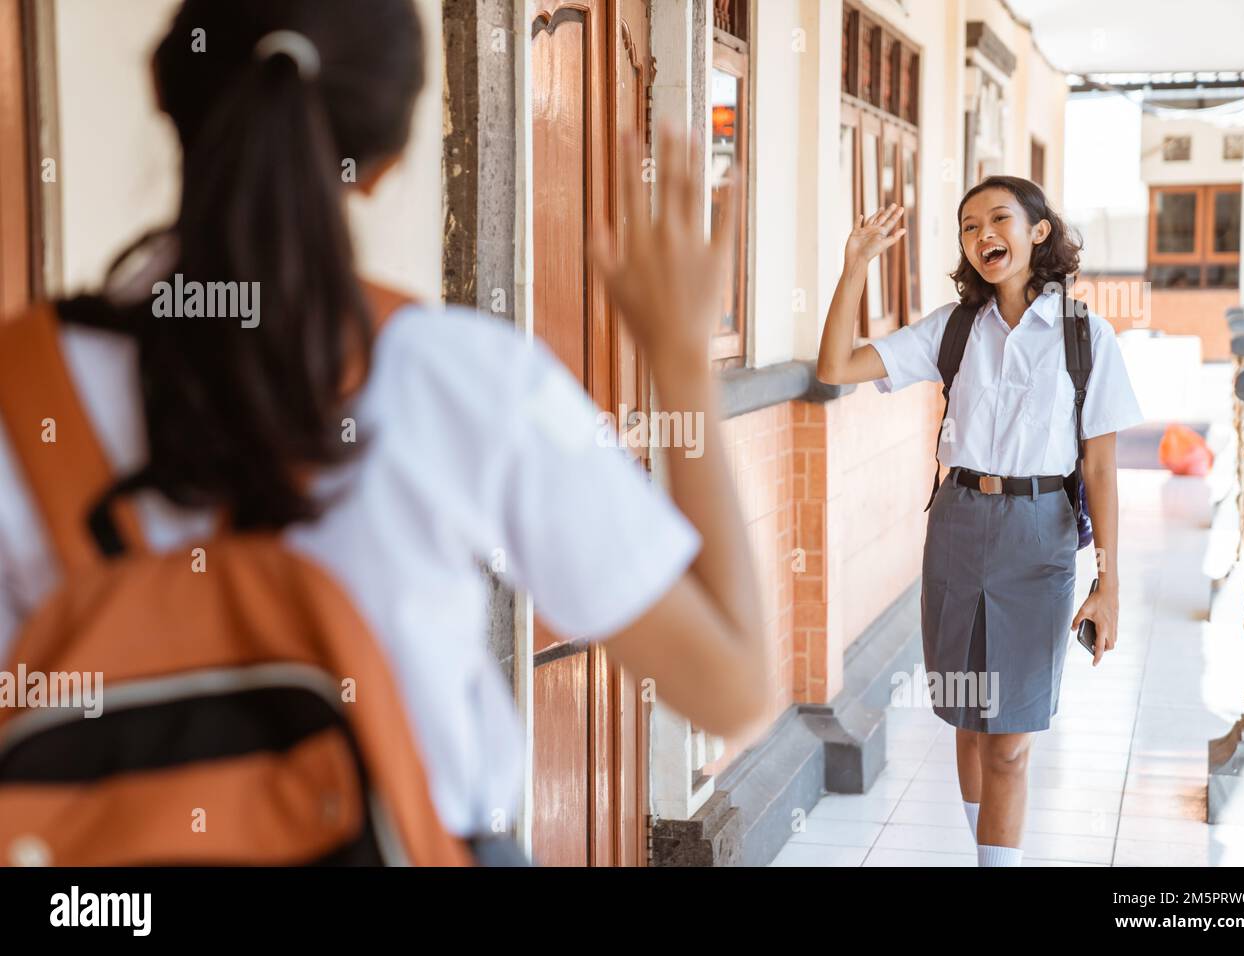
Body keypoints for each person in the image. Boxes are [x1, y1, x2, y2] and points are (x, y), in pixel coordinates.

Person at [0, 0, 771, 863]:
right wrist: (679, 362)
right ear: (386, 160)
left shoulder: (18, 389)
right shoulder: (461, 379)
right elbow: (732, 687)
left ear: (171, 98)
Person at [816, 177, 1144, 867]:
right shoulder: (953, 327)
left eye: (1000, 218)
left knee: (1011, 738)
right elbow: (836, 365)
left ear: (1038, 232)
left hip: (1039, 534)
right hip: (958, 525)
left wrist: (1107, 582)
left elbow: (1103, 469)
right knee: (968, 719)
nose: (983, 234)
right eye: (969, 226)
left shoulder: (1087, 336)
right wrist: (854, 267)